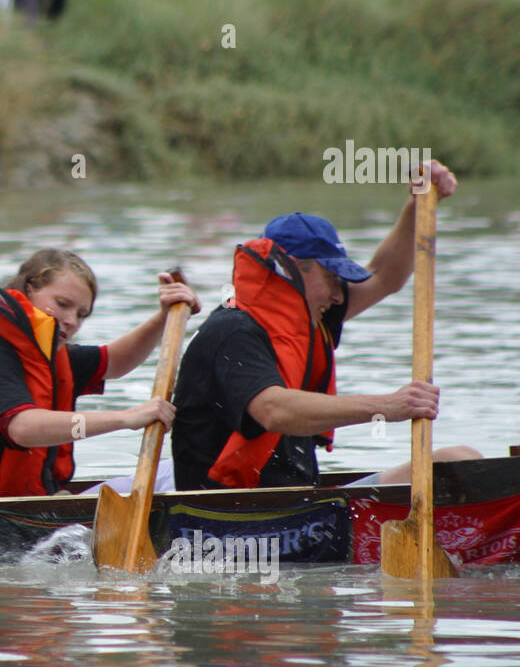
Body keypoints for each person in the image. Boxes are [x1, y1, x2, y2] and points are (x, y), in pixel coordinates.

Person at [171, 163, 481, 492]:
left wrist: (417, 203)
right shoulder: (232, 331)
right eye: (331, 278)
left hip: (300, 509)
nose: (337, 295)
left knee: (461, 461)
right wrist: (387, 406)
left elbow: (383, 277)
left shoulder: (309, 321)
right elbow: (273, 410)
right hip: (237, 525)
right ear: (291, 270)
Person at [0, 250, 201, 498]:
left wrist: (164, 316)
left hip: (33, 510)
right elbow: (23, 428)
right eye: (63, 304)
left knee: (170, 472)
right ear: (29, 289)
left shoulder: (52, 356)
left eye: (81, 314)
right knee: (169, 478)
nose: (72, 320)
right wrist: (125, 418)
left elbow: (115, 362)